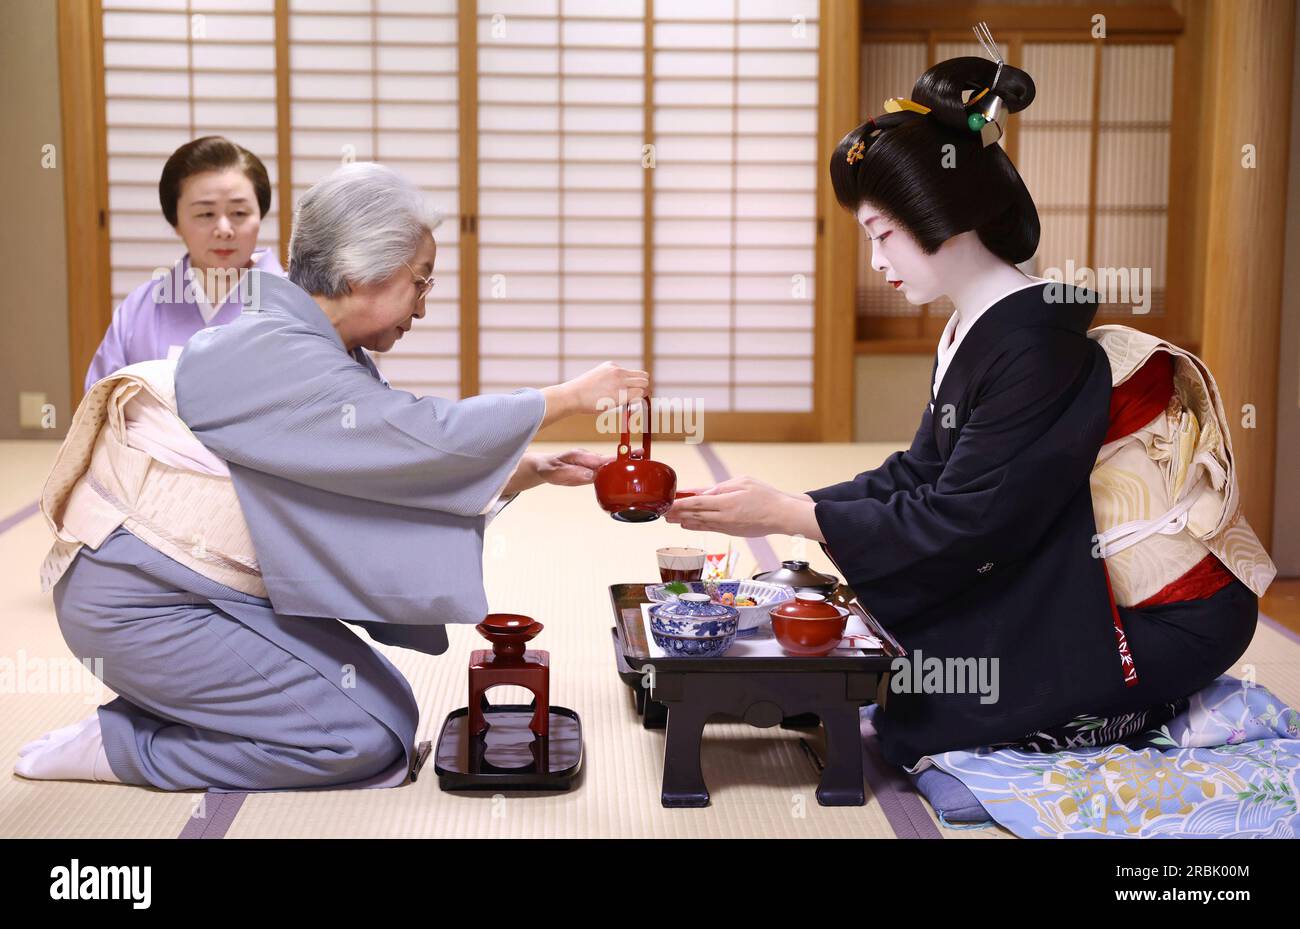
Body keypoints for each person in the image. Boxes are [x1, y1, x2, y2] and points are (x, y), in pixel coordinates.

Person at [666, 54, 1269, 770]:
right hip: (1052, 567)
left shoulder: (1040, 346)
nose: (876, 259)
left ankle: (1140, 702)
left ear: (942, 216)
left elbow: (968, 520)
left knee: (924, 706)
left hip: (1158, 616)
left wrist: (793, 515)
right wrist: (789, 503)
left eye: (883, 233)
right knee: (877, 647)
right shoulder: (974, 324)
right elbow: (923, 472)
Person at [18, 162, 648, 790]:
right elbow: (421, 435)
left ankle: (183, 707)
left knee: (390, 709)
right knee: (361, 741)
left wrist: (522, 471)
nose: (423, 310)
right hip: (143, 599)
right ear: (358, 273)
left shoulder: (313, 348)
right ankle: (121, 747)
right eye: (420, 285)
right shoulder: (274, 350)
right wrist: (563, 398)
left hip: (200, 585)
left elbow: (379, 477)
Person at [84, 136, 285, 392]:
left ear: (260, 214)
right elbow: (100, 409)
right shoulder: (139, 312)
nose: (224, 230)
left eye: (239, 213)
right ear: (175, 221)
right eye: (205, 214)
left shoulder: (296, 305)